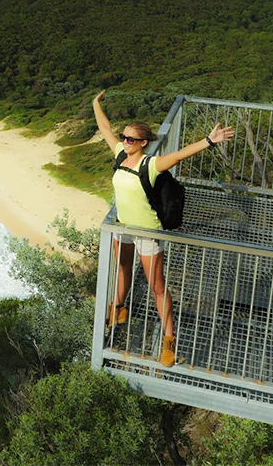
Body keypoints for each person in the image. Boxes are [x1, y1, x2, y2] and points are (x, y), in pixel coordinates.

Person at [93, 89, 234, 367]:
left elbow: (181, 154)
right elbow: (105, 128)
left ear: (143, 143)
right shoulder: (121, 154)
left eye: (130, 139)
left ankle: (169, 341)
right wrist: (94, 103)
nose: (124, 141)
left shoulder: (152, 164)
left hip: (149, 232)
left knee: (157, 286)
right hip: (123, 227)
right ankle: (118, 309)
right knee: (122, 269)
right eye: (123, 137)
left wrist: (209, 141)